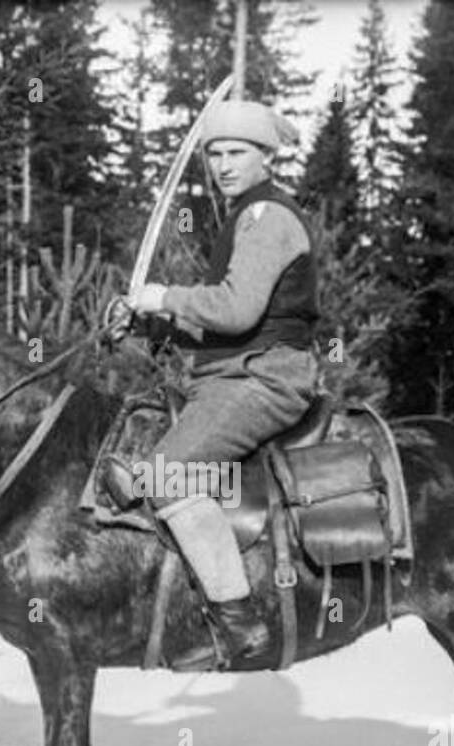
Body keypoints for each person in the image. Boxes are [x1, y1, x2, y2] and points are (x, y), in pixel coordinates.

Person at [120, 98, 320, 669]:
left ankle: (239, 624)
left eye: (237, 152)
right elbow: (229, 326)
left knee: (166, 474)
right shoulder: (244, 216)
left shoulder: (267, 218)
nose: (224, 164)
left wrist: (165, 295)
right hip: (236, 373)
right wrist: (151, 322)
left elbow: (234, 312)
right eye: (214, 154)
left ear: (266, 157)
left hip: (266, 379)